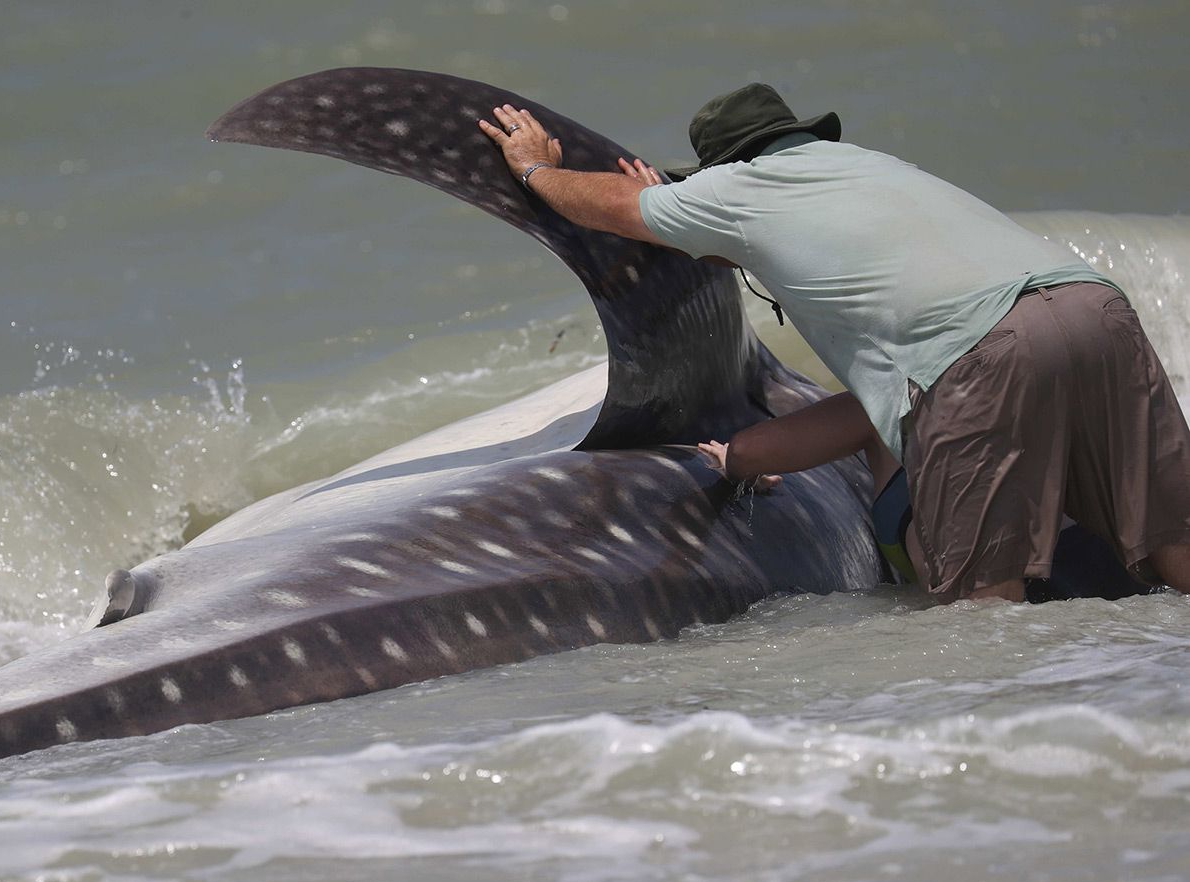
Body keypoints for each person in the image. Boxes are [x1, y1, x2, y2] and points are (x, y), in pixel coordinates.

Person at [477, 84, 1190, 602]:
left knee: (983, 619)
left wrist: (539, 170)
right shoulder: (873, 169)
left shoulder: (737, 190)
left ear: (726, 168)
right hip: (1098, 310)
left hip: (983, 353)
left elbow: (611, 208)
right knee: (1173, 542)